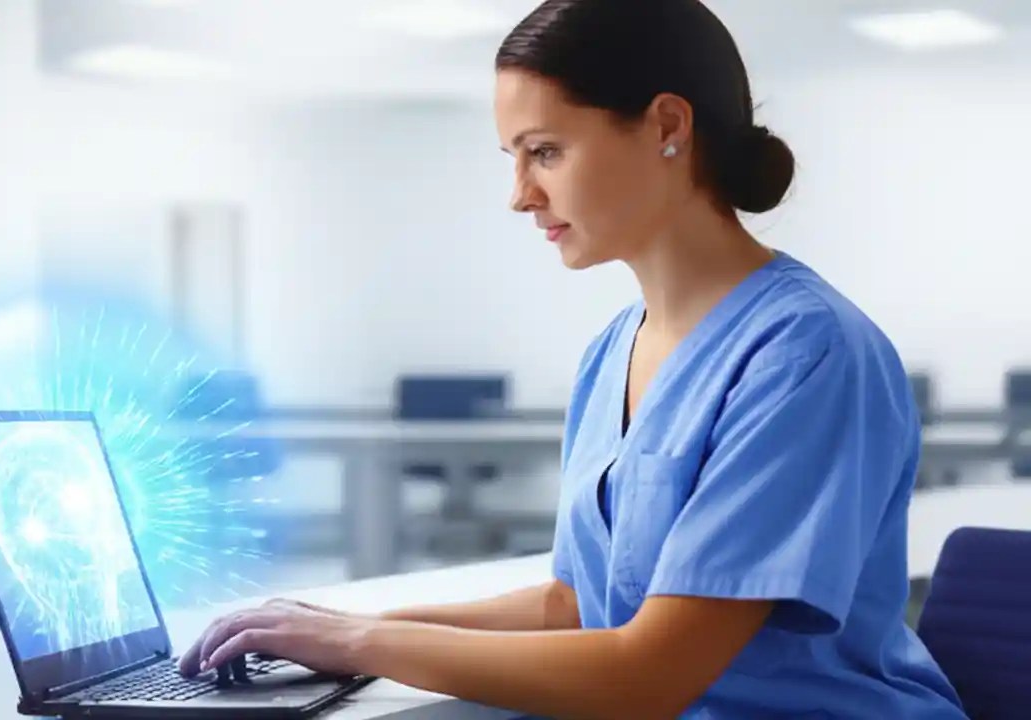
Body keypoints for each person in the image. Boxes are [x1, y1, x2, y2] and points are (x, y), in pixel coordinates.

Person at [178, 1, 968, 717]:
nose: (519, 194)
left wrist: (360, 648)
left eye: (545, 152)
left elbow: (649, 673)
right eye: (512, 157)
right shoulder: (612, 350)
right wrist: (352, 625)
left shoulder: (807, 354)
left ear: (667, 126)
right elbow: (574, 603)